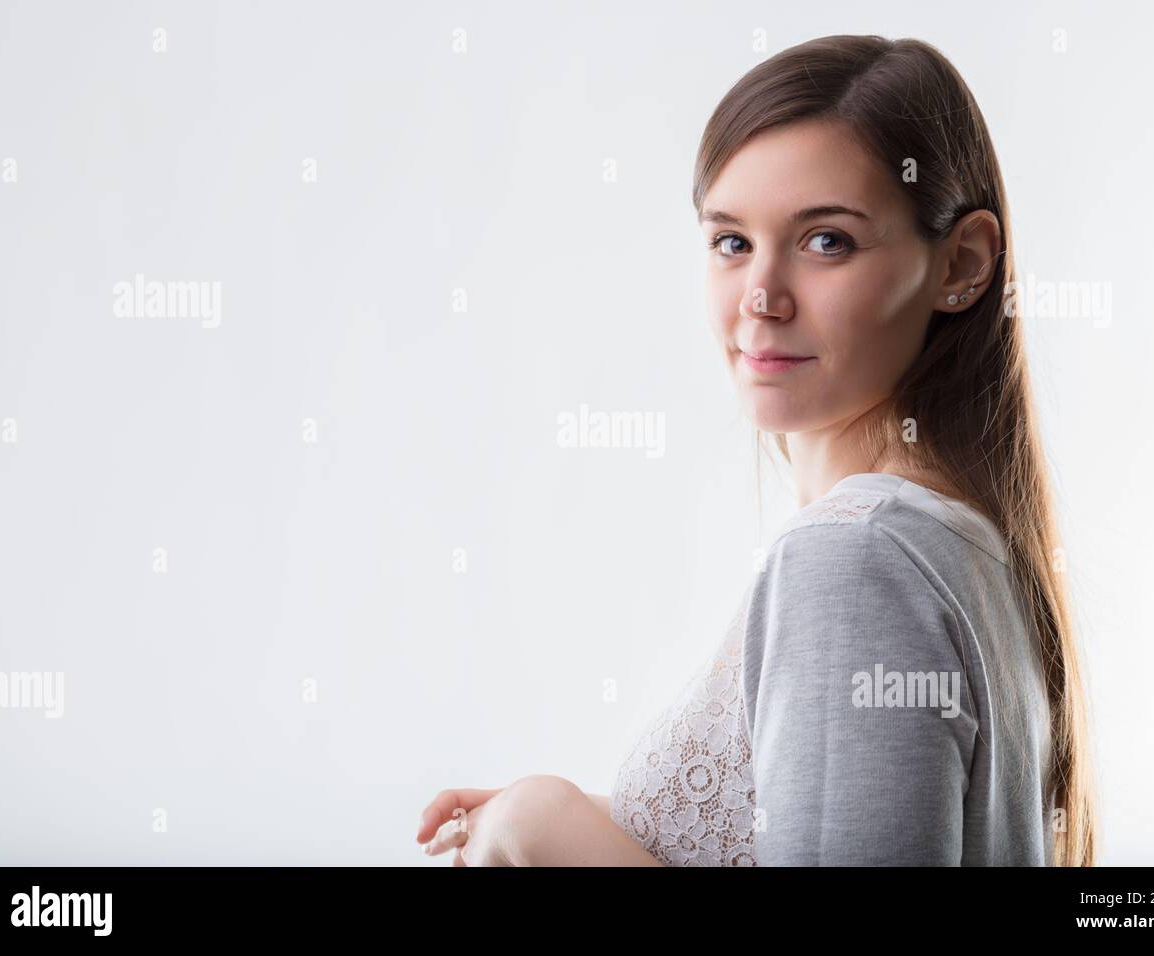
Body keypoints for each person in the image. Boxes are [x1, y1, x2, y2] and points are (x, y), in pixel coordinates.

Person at [415, 34, 1097, 867]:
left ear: (962, 263)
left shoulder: (855, 557)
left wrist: (539, 827)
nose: (762, 297)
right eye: (731, 242)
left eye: (826, 242)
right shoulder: (955, 541)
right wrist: (616, 820)